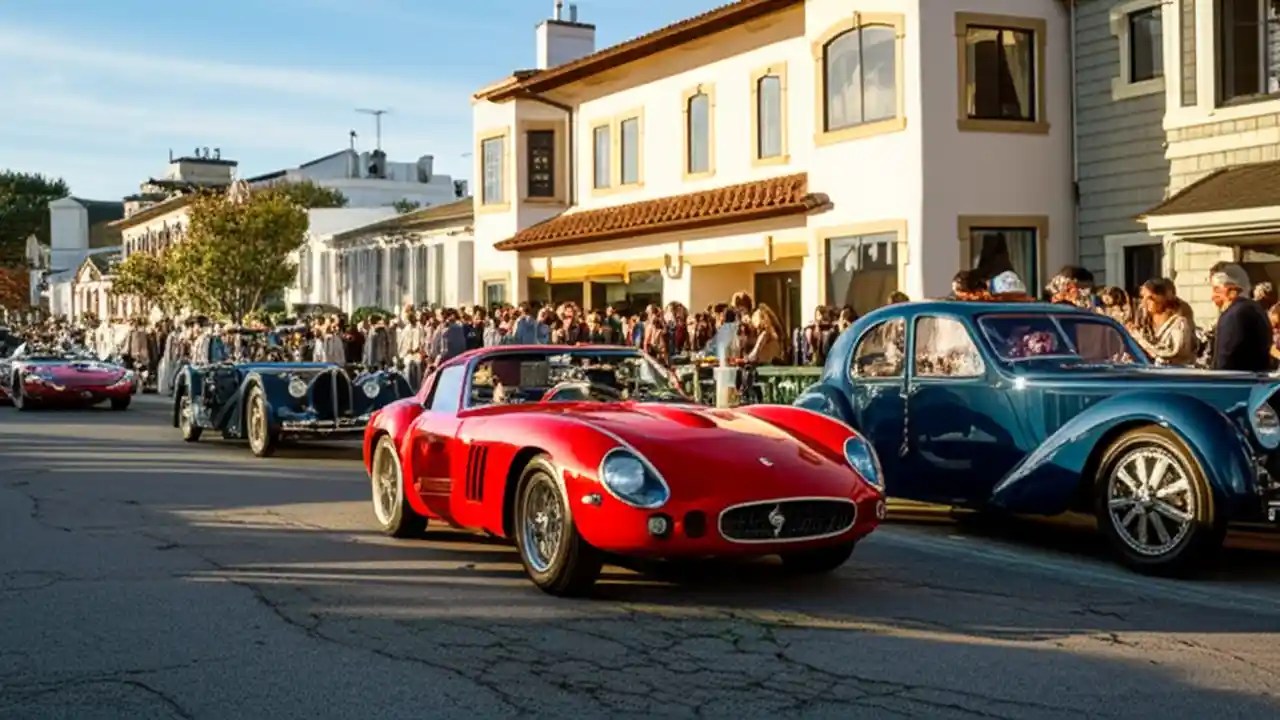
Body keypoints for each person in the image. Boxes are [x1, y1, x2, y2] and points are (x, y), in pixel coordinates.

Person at [1210, 263, 1271, 372]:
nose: (1212, 297)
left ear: (1233, 291)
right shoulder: (1256, 309)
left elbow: (1225, 358)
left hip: (1235, 382)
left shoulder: (1234, 314)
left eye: (1217, 290)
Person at [1129, 279, 1196, 366]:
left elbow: (1169, 353)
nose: (1144, 303)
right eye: (1142, 297)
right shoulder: (1145, 324)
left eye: (1150, 298)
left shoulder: (1179, 324)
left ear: (1161, 298)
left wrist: (1139, 339)